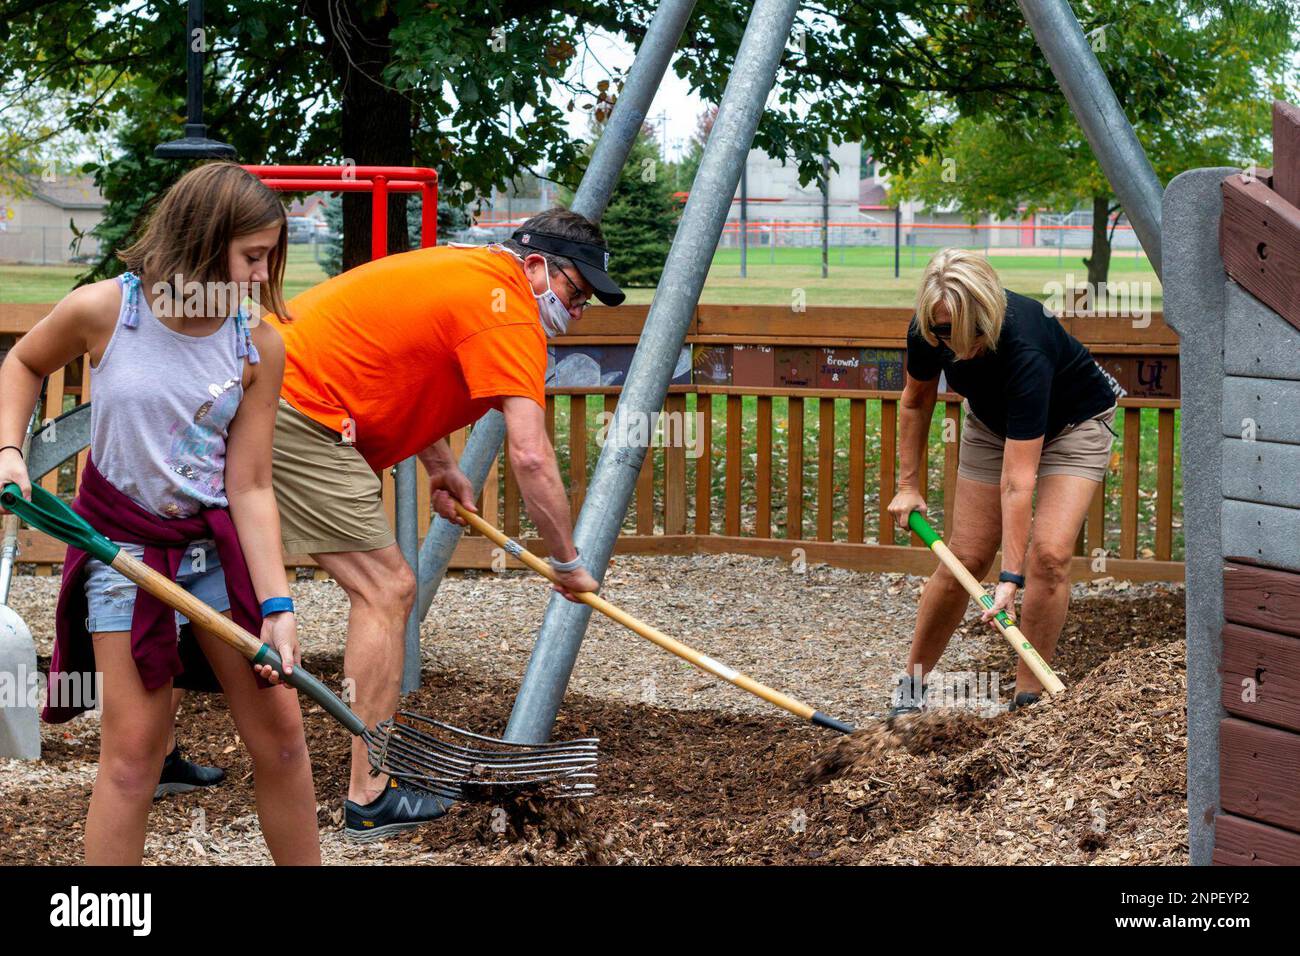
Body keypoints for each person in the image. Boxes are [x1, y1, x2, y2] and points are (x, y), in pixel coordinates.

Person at [264, 206, 619, 842]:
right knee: (387, 590)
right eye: (575, 290)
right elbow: (532, 456)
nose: (578, 309)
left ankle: (157, 754)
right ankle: (370, 795)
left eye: (589, 300)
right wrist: (567, 560)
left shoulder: (468, 272)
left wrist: (441, 465)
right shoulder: (508, 307)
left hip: (271, 385)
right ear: (536, 266)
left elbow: (405, 356)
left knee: (203, 562)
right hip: (301, 407)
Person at [0, 162, 320, 864]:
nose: (263, 275)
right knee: (132, 760)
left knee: (285, 742)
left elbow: (253, 486)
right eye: (252, 256)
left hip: (214, 556)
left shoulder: (255, 342)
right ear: (203, 241)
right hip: (124, 553)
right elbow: (22, 363)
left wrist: (277, 603)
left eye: (271, 257)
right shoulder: (109, 311)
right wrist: (9, 449)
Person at [886, 248, 1123, 717]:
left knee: (1050, 556)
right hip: (992, 425)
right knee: (966, 557)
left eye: (966, 331)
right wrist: (908, 484)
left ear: (988, 314)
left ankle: (1028, 699)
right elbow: (915, 401)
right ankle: (910, 689)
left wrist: (1010, 579)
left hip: (1074, 426)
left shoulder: (1024, 343)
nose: (953, 343)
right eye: (942, 331)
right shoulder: (929, 327)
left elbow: (1019, 482)